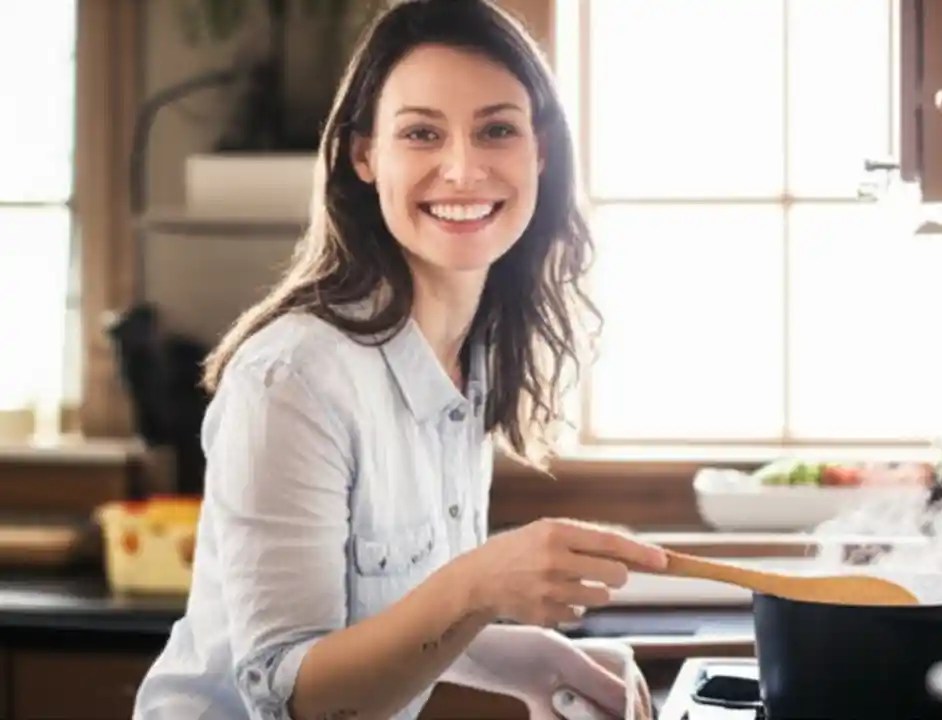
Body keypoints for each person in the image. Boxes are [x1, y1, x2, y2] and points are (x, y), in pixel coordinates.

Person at [133, 1, 669, 718]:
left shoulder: (467, 360)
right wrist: (482, 583)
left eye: (497, 129)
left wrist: (535, 659)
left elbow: (390, 613)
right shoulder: (291, 379)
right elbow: (293, 694)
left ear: (539, 150)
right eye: (421, 133)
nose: (462, 168)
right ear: (365, 156)